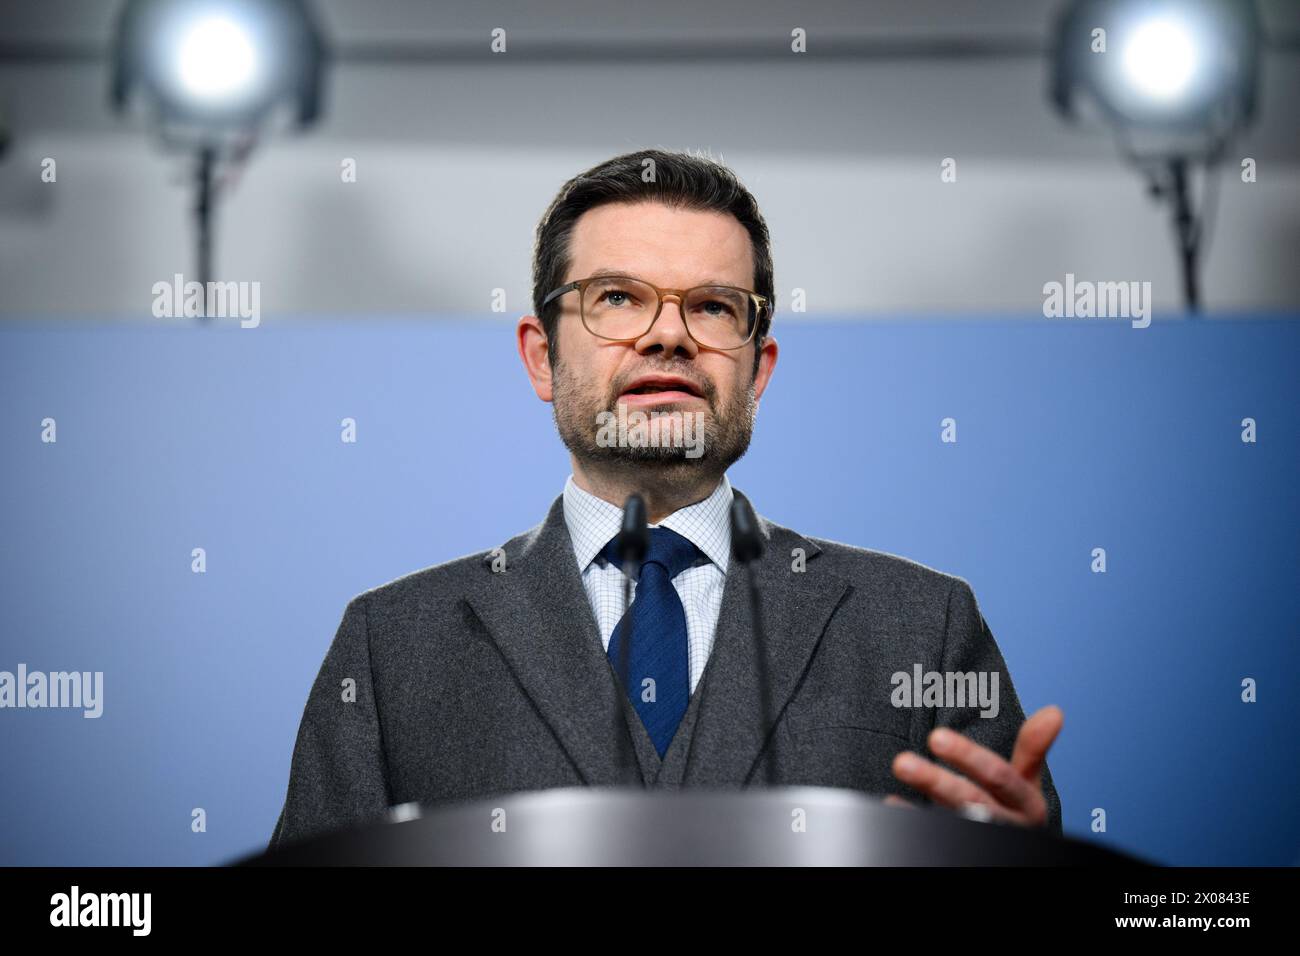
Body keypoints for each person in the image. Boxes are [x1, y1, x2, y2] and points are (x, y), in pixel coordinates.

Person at [270, 148, 1064, 850]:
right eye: (617, 297)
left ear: (758, 370)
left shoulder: (923, 626)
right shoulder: (390, 646)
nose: (668, 335)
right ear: (541, 358)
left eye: (714, 306)